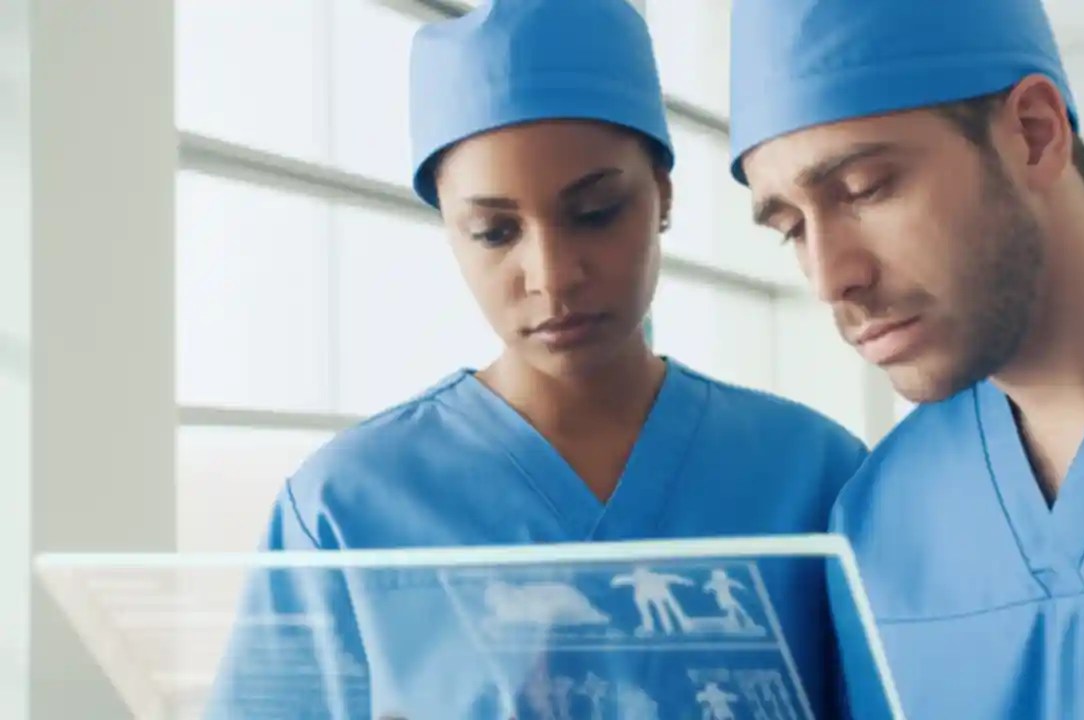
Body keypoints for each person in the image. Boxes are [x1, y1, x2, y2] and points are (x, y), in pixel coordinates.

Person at [205, 1, 868, 717]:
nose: (552, 277)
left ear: (663, 194)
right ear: (449, 231)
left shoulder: (812, 474)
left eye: (596, 213)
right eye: (495, 232)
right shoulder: (346, 508)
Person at [728, 0, 1084, 717]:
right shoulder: (883, 516)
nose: (831, 278)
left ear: (1034, 133)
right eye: (792, 229)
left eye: (867, 190)